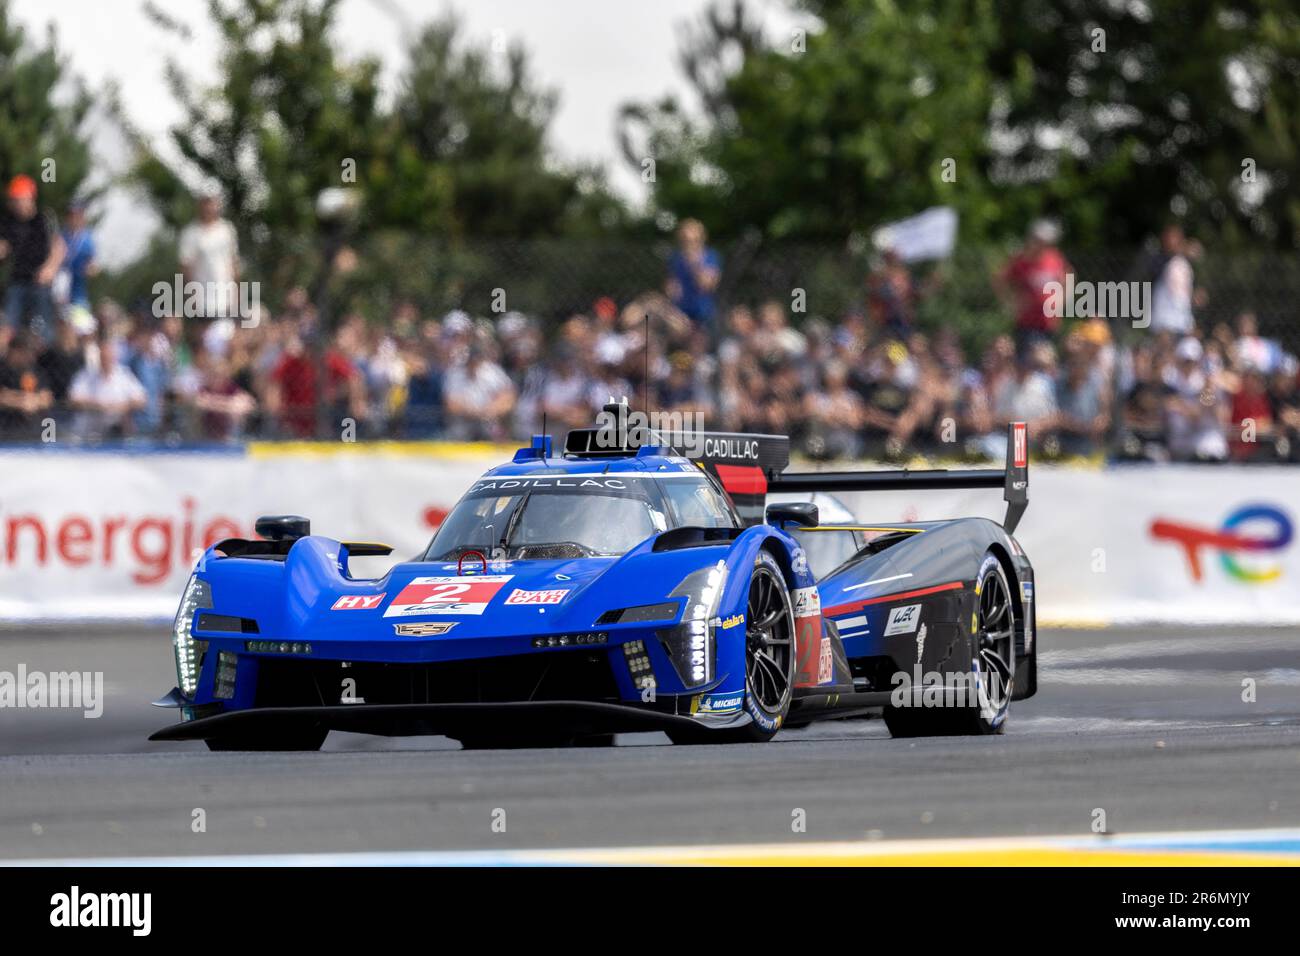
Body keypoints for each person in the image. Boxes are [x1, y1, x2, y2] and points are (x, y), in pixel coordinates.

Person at [0, 175, 65, 339]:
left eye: (19, 200)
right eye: (13, 200)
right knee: (8, 326)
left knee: (42, 330)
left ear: (30, 199)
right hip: (17, 281)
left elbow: (59, 247)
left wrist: (50, 268)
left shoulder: (44, 219)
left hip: (40, 283)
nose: (16, 204)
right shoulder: (8, 222)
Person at [994, 219, 1070, 355]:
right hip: (1028, 324)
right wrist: (1009, 303)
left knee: (1046, 360)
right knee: (1033, 359)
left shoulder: (1054, 258)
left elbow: (1068, 279)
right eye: (1038, 240)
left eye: (1045, 241)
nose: (1042, 244)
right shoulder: (1021, 260)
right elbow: (999, 279)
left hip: (1049, 324)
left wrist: (1061, 302)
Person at [68, 338, 148, 439]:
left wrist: (122, 407)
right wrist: (99, 406)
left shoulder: (124, 375)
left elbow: (142, 400)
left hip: (118, 432)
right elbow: (74, 400)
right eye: (104, 356)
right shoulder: (85, 375)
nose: (107, 359)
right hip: (88, 433)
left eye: (109, 356)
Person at [178, 191, 239, 318]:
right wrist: (191, 296)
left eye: (212, 203)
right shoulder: (190, 233)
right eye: (206, 203)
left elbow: (233, 262)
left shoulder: (227, 230)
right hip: (201, 298)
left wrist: (236, 292)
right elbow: (185, 267)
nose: (209, 208)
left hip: (225, 296)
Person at [665, 218, 721, 331]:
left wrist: (694, 262)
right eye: (685, 240)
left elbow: (706, 285)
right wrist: (671, 289)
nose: (689, 244)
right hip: (680, 312)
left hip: (703, 313)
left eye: (693, 240)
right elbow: (672, 285)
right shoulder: (676, 258)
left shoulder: (710, 256)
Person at [0, 330, 54, 440]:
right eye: (23, 351)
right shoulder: (2, 370)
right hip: (5, 430)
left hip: (33, 430)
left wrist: (33, 400)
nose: (29, 356)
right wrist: (21, 401)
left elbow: (47, 398)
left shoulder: (35, 371)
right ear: (13, 351)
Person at [1148, 224, 1196, 334]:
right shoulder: (1159, 259)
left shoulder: (1183, 263)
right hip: (1164, 318)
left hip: (1182, 317)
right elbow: (1158, 270)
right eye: (1171, 238)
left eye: (1176, 238)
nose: (1173, 242)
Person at [56, 201, 97, 313]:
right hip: (59, 289)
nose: (74, 219)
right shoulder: (60, 236)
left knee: (82, 320)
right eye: (72, 215)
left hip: (78, 291)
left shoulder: (88, 239)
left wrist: (90, 269)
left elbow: (92, 262)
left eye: (78, 215)